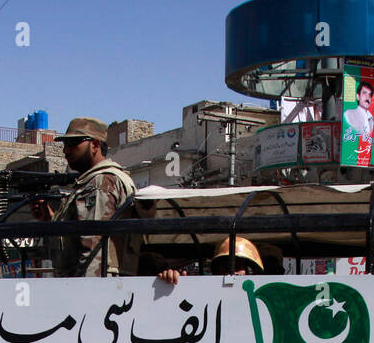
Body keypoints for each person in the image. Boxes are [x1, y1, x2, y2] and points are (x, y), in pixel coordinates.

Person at [31, 116, 138, 277]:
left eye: (74, 143)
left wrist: (86, 294)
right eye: (65, 144)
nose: (66, 150)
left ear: (94, 145)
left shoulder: (100, 183)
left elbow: (93, 249)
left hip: (94, 287)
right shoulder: (95, 181)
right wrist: (50, 219)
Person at [155, 236, 264, 285]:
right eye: (224, 268)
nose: (231, 274)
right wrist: (173, 282)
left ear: (251, 271)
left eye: (238, 267)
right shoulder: (206, 295)